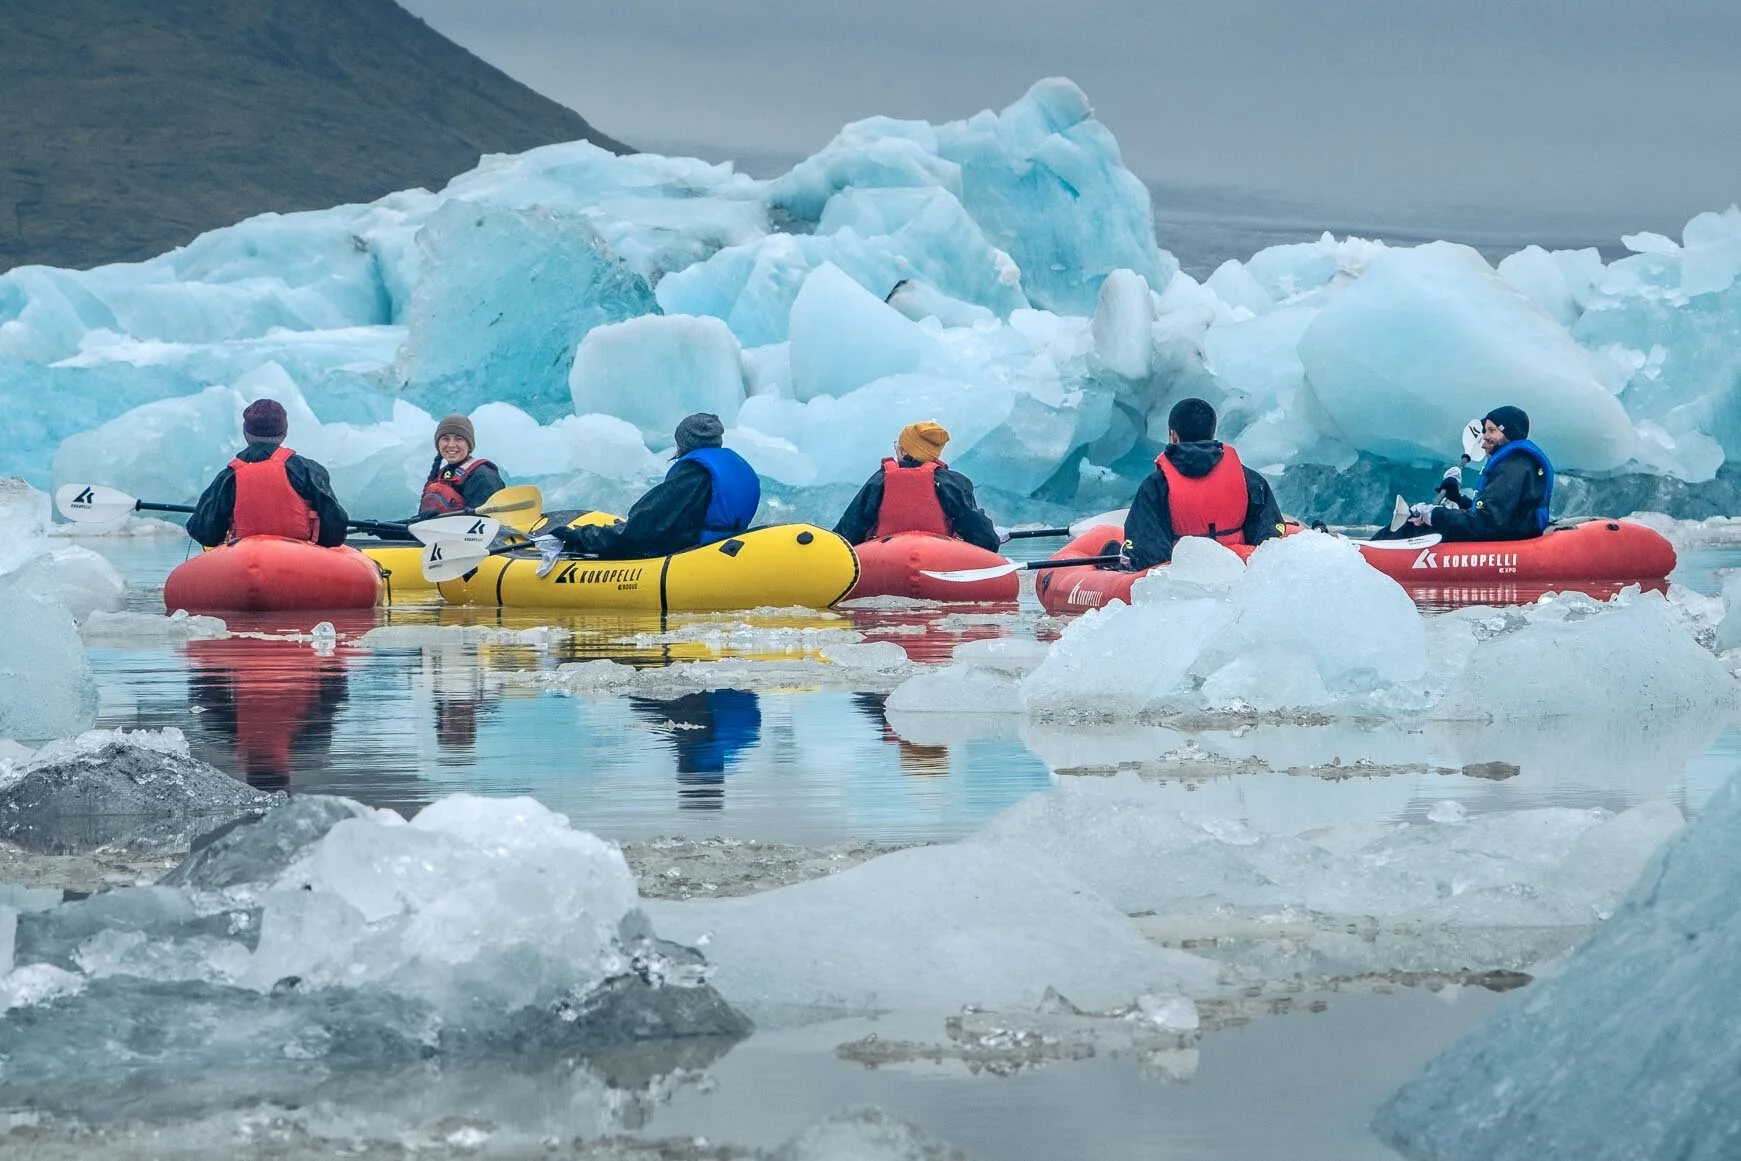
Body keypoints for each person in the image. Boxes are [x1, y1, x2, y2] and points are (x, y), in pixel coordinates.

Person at [539, 412, 759, 564]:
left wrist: (582, 536)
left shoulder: (693, 474)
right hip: (727, 548)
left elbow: (641, 529)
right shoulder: (734, 465)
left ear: (684, 443)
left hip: (695, 553)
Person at [1121, 397, 1286, 569]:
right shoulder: (1249, 479)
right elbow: (1269, 536)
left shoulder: (1155, 486)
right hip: (1240, 569)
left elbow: (1146, 550)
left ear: (1173, 436)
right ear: (1212, 434)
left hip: (1182, 577)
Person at [186, 398, 349, 547]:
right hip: (301, 559)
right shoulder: (308, 470)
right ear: (284, 432)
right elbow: (335, 531)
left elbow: (203, 532)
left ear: (245, 433)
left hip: (244, 558)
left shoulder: (229, 476)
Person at [831, 420, 1002, 552]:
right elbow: (982, 536)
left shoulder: (880, 480)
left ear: (905, 451)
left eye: (898, 446)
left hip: (888, 559)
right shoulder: (953, 483)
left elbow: (848, 530)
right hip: (941, 559)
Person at [1402, 405, 1553, 541]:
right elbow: (1498, 514)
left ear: (1510, 433)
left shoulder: (1512, 467)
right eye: (1485, 431)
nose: (1484, 437)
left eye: (1492, 430)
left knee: (1414, 529)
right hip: (1510, 536)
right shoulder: (1517, 463)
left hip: (1508, 543)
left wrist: (1433, 515)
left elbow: (1486, 523)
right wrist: (1457, 498)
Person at [371, 413, 507, 540]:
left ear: (469, 445)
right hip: (439, 543)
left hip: (468, 546)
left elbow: (488, 527)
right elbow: (418, 528)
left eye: (458, 439)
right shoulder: (442, 475)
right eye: (445, 439)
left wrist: (436, 523)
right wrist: (381, 528)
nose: (451, 445)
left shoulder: (482, 475)